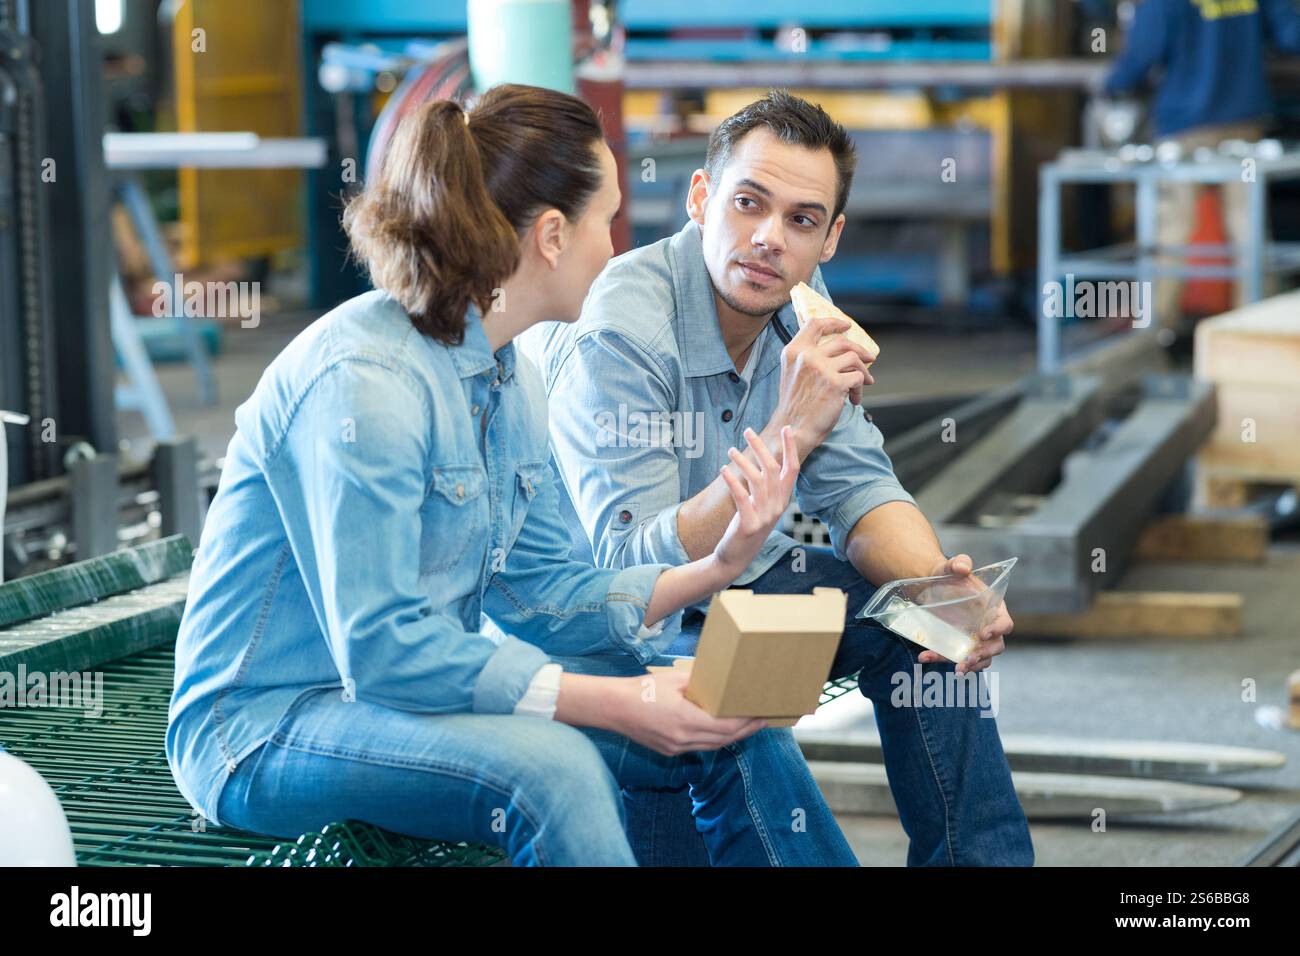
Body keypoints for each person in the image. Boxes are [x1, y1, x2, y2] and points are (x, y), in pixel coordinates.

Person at [166, 84, 861, 867]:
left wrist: (718, 565)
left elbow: (543, 595)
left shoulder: (504, 374)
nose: (615, 246)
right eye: (609, 219)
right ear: (556, 236)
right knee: (554, 773)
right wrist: (625, 702)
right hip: (267, 726)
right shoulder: (366, 380)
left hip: (406, 701)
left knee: (731, 727)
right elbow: (385, 650)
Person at [521, 90, 1034, 866]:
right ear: (701, 199)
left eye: (800, 221)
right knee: (742, 722)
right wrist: (790, 429)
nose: (768, 240)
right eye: (748, 203)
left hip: (744, 585)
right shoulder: (620, 329)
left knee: (923, 636)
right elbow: (634, 566)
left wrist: (942, 594)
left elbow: (858, 487)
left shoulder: (799, 305)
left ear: (829, 239)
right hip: (607, 618)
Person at [1102, 0, 1300, 329]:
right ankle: (1254, 330)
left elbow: (1142, 54)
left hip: (1183, 131)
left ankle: (1154, 329)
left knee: (1169, 235)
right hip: (1244, 125)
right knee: (1248, 230)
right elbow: (1292, 35)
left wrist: (1110, 84)